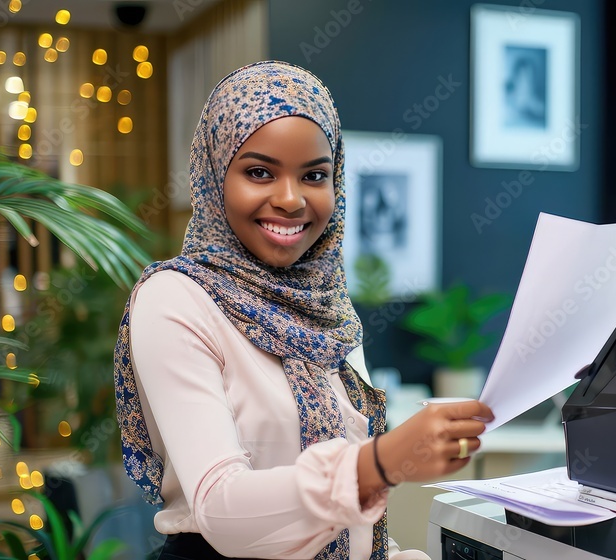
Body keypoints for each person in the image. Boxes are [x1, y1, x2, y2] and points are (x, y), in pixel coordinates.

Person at [113, 61, 493, 560]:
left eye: (314, 175)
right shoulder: (176, 298)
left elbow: (348, 524)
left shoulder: (328, 312)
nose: (291, 199)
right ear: (213, 176)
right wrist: (379, 463)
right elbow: (220, 509)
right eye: (259, 172)